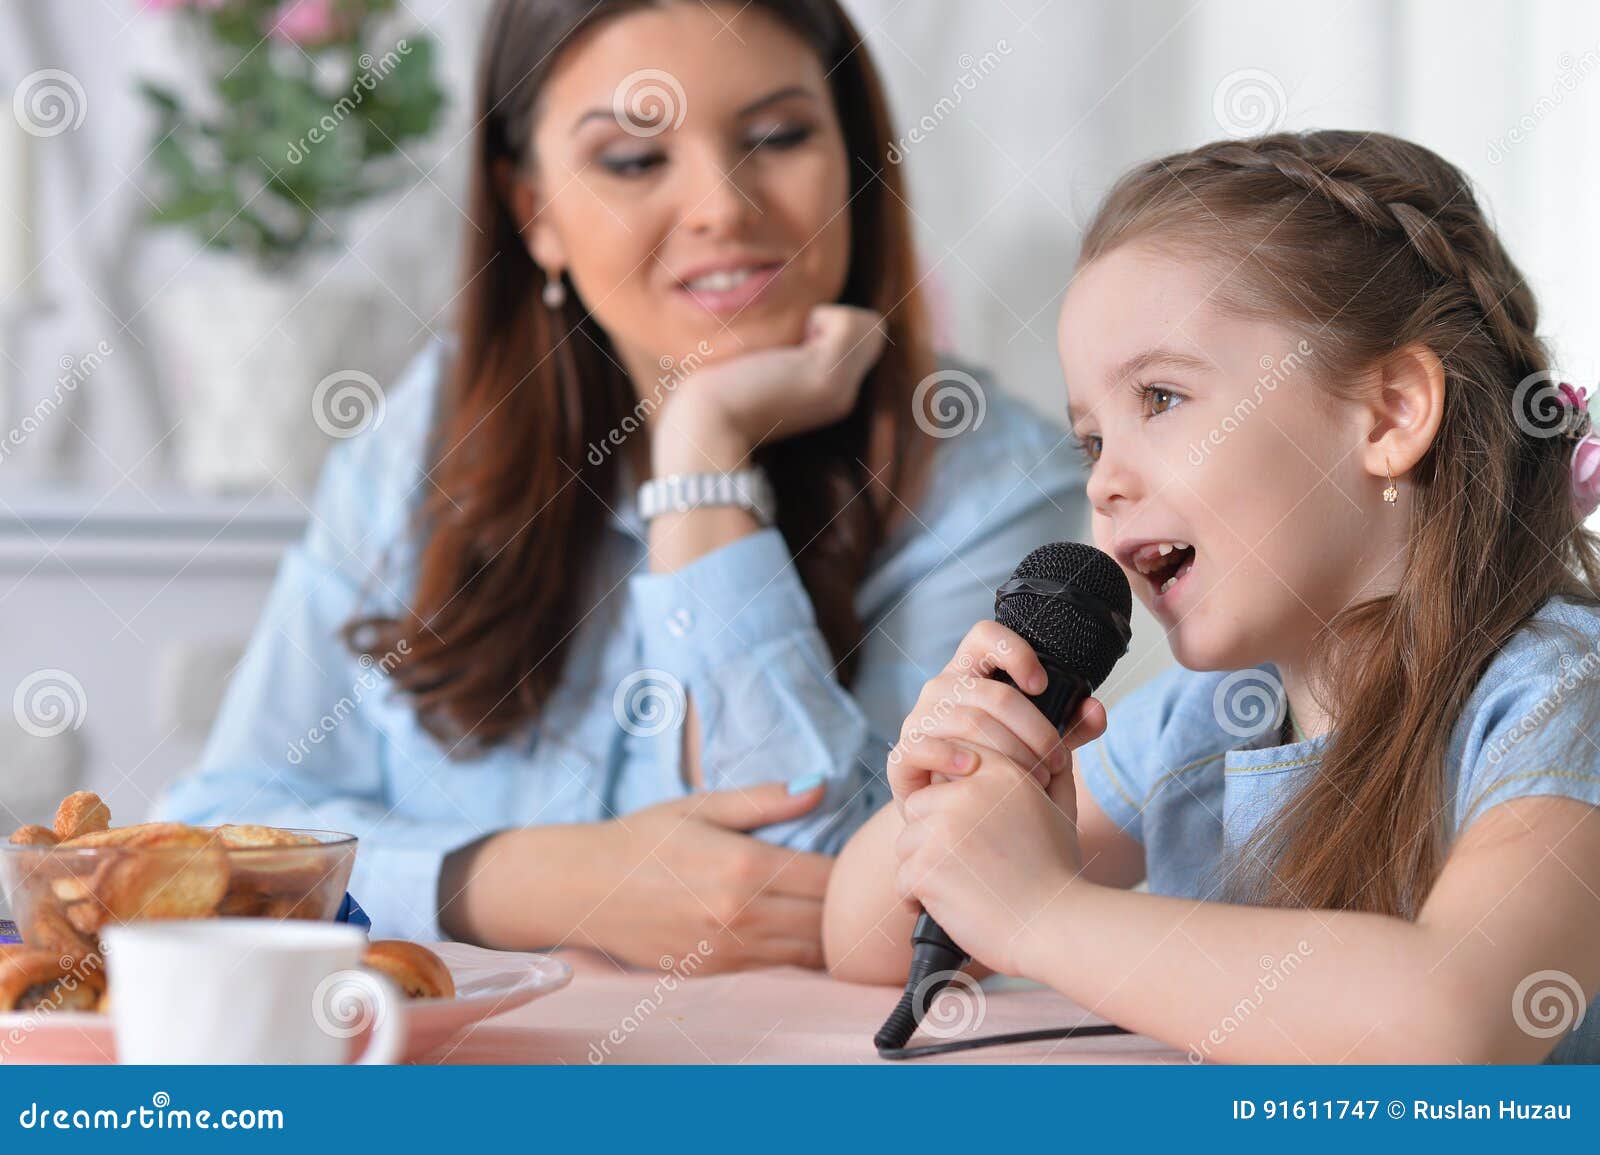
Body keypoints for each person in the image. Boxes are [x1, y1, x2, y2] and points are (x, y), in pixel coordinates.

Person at [154, 0, 1085, 967]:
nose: (722, 205)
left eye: (778, 136)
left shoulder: (990, 479)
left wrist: (703, 456)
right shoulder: (430, 433)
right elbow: (217, 833)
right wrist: (502, 880)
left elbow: (866, 913)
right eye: (635, 160)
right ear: (535, 213)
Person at [823, 130, 1600, 1063]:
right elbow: (860, 943)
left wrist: (1042, 913)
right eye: (1090, 441)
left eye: (1158, 397)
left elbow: (1458, 1019)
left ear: (1391, 413)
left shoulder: (1553, 699)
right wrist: (953, 783)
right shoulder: (1203, 727)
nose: (1105, 481)